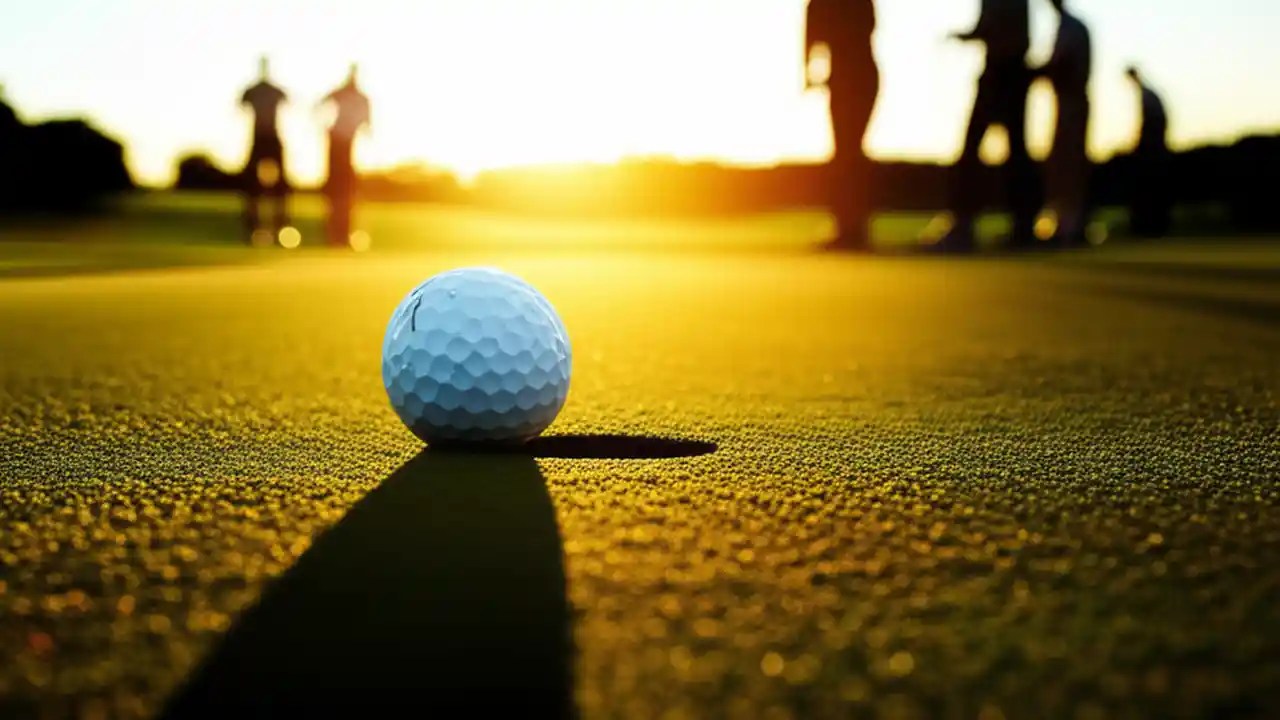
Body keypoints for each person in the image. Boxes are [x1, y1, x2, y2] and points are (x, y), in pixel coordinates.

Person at [932, 0, 1038, 252]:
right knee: (1016, 153)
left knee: (975, 150)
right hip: (1010, 72)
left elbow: (991, 29)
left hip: (1002, 74)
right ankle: (1022, 225)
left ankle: (965, 225)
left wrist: (964, 36)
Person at [805, 0, 880, 252]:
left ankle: (853, 227)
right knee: (846, 153)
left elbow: (813, 36)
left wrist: (809, 74)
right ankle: (848, 226)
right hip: (846, 76)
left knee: (850, 152)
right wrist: (809, 74)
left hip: (858, 75)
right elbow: (811, 36)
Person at [1035, 0, 1092, 247]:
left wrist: (1032, 73)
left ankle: (1071, 224)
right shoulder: (1067, 25)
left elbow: (1063, 64)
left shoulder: (1071, 27)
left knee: (1069, 165)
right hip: (1065, 102)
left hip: (1072, 102)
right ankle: (1064, 222)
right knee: (1062, 163)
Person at [319, 64, 372, 248]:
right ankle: (333, 235)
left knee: (348, 192)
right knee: (335, 190)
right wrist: (325, 127)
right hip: (336, 144)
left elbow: (368, 126)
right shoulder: (340, 93)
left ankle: (345, 234)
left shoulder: (362, 98)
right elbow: (319, 106)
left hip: (349, 146)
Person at [239, 56, 290, 241]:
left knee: (281, 185)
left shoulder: (276, 91)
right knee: (252, 184)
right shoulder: (252, 91)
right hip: (258, 138)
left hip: (272, 137)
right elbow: (241, 104)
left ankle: (281, 225)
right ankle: (252, 227)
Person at [1125, 66, 1172, 238]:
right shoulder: (1148, 94)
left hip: (1152, 148)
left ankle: (1149, 224)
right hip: (1154, 146)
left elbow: (1150, 122)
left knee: (1150, 186)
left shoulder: (1146, 95)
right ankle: (1150, 223)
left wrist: (1141, 143)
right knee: (1153, 186)